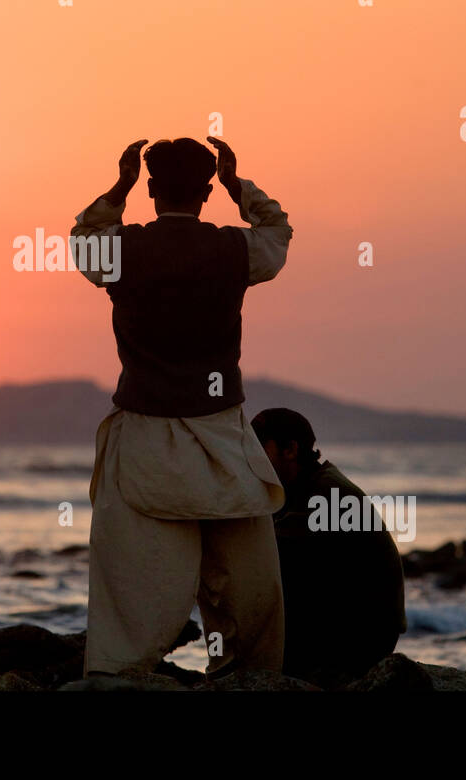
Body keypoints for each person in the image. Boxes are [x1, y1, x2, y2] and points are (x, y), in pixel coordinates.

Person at [71, 136, 293, 677]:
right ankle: (244, 674)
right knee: (241, 578)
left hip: (144, 431)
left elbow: (83, 239)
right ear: (208, 191)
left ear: (150, 190)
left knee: (133, 577)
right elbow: (277, 232)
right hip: (222, 433)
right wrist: (243, 189)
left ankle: (120, 672)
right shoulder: (233, 250)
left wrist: (116, 190)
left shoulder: (123, 250)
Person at [250, 407, 407, 684]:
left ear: (290, 449)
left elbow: (265, 553)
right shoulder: (307, 486)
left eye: (259, 446)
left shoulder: (328, 495)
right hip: (349, 627)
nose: (250, 457)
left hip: (360, 642)